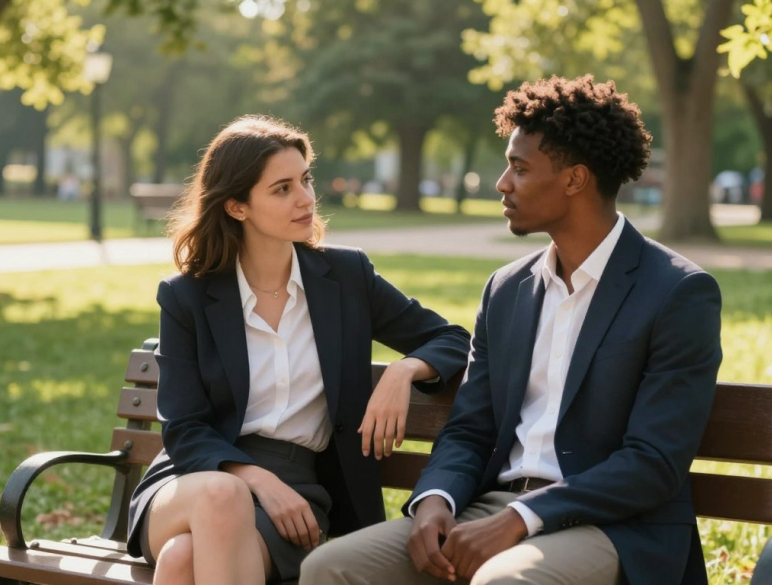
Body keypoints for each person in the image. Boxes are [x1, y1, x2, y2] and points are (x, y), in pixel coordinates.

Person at [300, 75, 723, 585]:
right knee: (330, 568)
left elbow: (653, 462)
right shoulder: (507, 289)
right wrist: (436, 500)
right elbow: (471, 428)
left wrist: (521, 519)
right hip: (489, 508)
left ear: (574, 180)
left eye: (519, 169)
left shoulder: (678, 292)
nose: (502, 182)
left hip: (612, 527)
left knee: (503, 582)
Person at [125, 115, 470, 585]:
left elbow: (451, 337)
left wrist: (401, 372)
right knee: (222, 498)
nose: (306, 198)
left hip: (298, 493)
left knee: (183, 561)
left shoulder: (346, 278)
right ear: (237, 206)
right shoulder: (188, 297)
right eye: (282, 188)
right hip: (191, 482)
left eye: (305, 180)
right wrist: (258, 480)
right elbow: (184, 428)